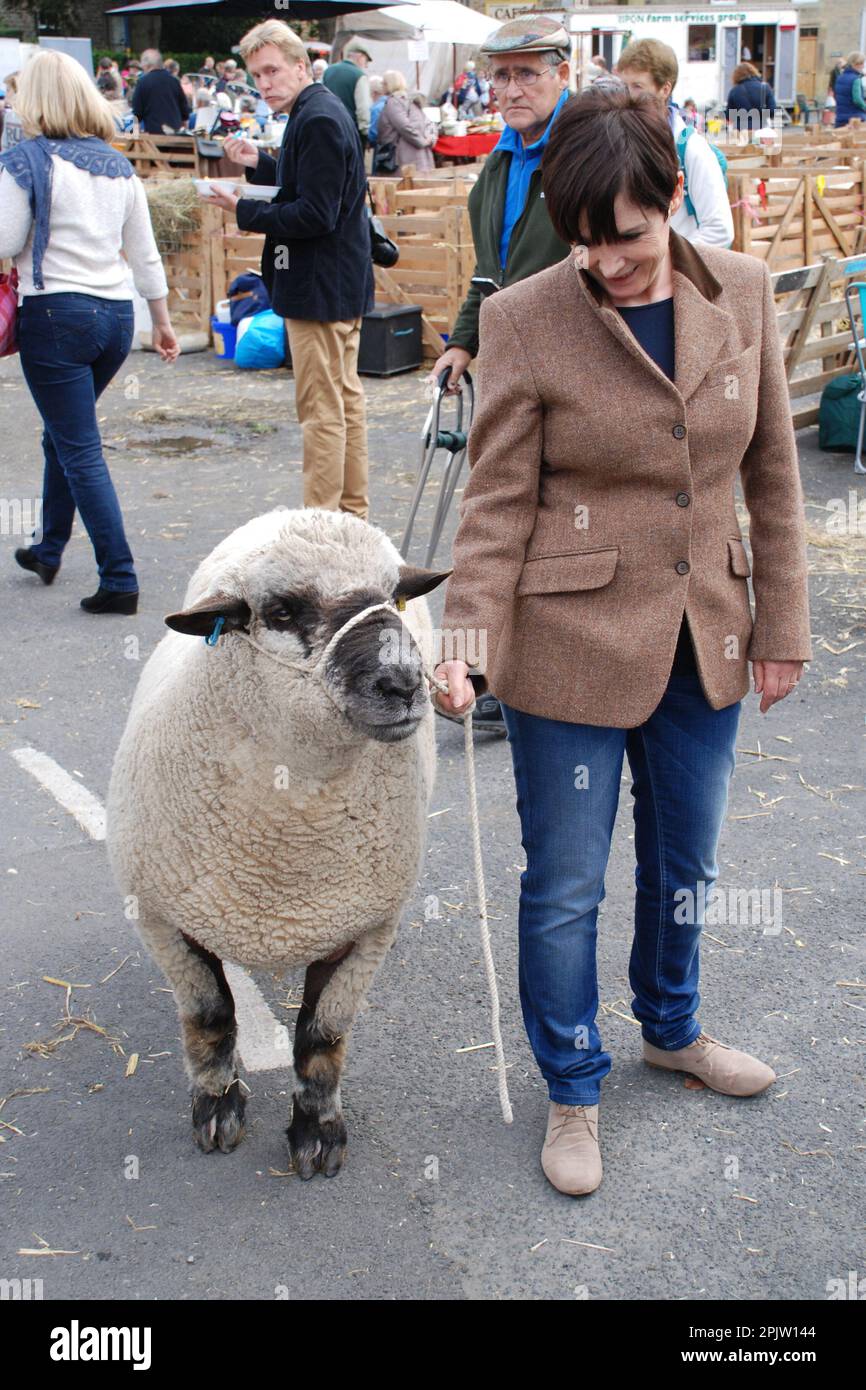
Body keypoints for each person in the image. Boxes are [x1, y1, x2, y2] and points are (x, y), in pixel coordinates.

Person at [432, 85, 811, 1196]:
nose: (609, 264)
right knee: (562, 884)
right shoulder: (523, 318)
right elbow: (495, 502)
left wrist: (779, 625)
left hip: (706, 640)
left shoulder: (741, 292)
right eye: (588, 242)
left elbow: (773, 480)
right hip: (566, 644)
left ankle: (673, 1028)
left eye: (631, 237)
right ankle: (571, 1087)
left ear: (672, 199)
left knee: (685, 864)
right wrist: (463, 636)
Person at [427, 16, 573, 734]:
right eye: (501, 74)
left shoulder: (582, 152)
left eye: (527, 73)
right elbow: (490, 274)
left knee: (548, 522)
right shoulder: (499, 161)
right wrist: (461, 342)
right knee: (498, 517)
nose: (510, 88)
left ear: (561, 74)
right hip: (513, 368)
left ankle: (533, 672)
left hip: (574, 368)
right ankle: (487, 675)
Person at [0, 49, 179, 614]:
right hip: (116, 318)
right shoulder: (116, 164)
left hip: (56, 315)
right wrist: (164, 323)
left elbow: (5, 242)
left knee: (78, 448)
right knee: (65, 436)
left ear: (34, 100)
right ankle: (49, 547)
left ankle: (120, 577)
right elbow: (146, 255)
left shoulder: (24, 161)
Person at [209, 21, 373, 519]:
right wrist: (260, 163)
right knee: (343, 404)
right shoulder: (316, 111)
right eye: (257, 74)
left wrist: (242, 209)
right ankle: (348, 517)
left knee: (323, 411)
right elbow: (309, 185)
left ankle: (323, 524)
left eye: (273, 70)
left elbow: (314, 213)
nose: (264, 83)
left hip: (320, 285)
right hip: (334, 281)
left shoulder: (318, 115)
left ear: (301, 66)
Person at [617, 38, 733, 247]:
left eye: (637, 86)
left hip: (678, 274)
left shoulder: (691, 149)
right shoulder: (619, 141)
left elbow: (720, 230)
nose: (628, 96)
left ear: (665, 89)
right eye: (624, 86)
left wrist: (667, 264)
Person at [375, 70, 436, 172]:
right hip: (420, 158)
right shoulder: (410, 100)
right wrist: (430, 139)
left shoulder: (394, 102)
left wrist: (422, 142)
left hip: (404, 158)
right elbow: (429, 124)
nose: (381, 85)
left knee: (403, 186)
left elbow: (404, 126)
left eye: (383, 83)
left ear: (389, 84)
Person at [322, 38, 372, 141]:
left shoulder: (328, 71)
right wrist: (365, 131)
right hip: (350, 130)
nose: (366, 65)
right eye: (366, 60)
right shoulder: (359, 75)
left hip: (327, 126)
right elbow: (363, 108)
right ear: (360, 56)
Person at [132, 48, 190, 134]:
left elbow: (137, 114)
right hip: (175, 136)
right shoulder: (174, 81)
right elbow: (185, 113)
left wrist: (133, 136)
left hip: (154, 137)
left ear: (146, 65)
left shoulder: (142, 82)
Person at [726, 60, 778, 133]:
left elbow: (730, 116)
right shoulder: (765, 87)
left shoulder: (734, 91)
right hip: (761, 128)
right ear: (754, 72)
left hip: (741, 130)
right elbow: (772, 111)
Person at [833, 52, 866, 127]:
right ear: (856, 64)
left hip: (840, 118)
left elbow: (836, 95)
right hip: (855, 119)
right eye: (862, 64)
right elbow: (857, 100)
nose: (863, 66)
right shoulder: (856, 79)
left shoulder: (840, 77)